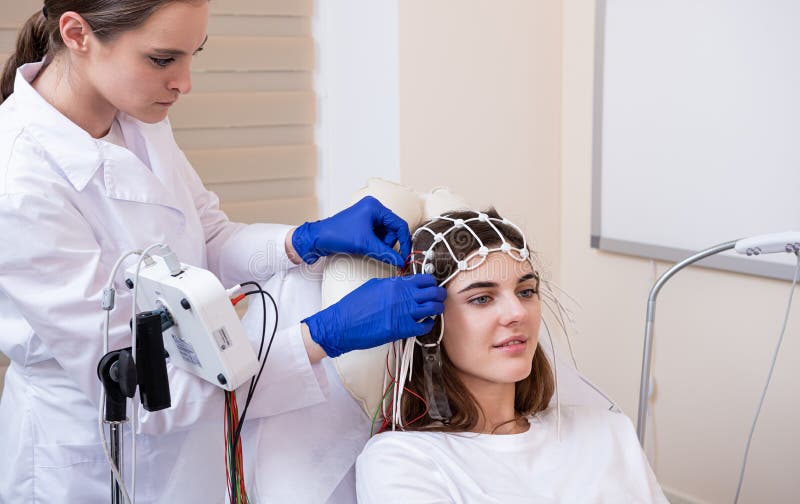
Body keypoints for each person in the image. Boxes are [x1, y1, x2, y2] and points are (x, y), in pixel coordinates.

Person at [0, 2, 445, 502]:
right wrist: (325, 334)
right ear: (77, 33)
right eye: (162, 59)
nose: (184, 83)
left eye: (193, 54)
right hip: (89, 461)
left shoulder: (136, 113)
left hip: (188, 454)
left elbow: (203, 241)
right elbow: (152, 391)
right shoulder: (20, 184)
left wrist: (303, 240)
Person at [356, 209, 668, 503]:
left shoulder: (609, 432)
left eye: (526, 292)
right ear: (429, 324)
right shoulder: (403, 461)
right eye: (482, 298)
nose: (517, 312)